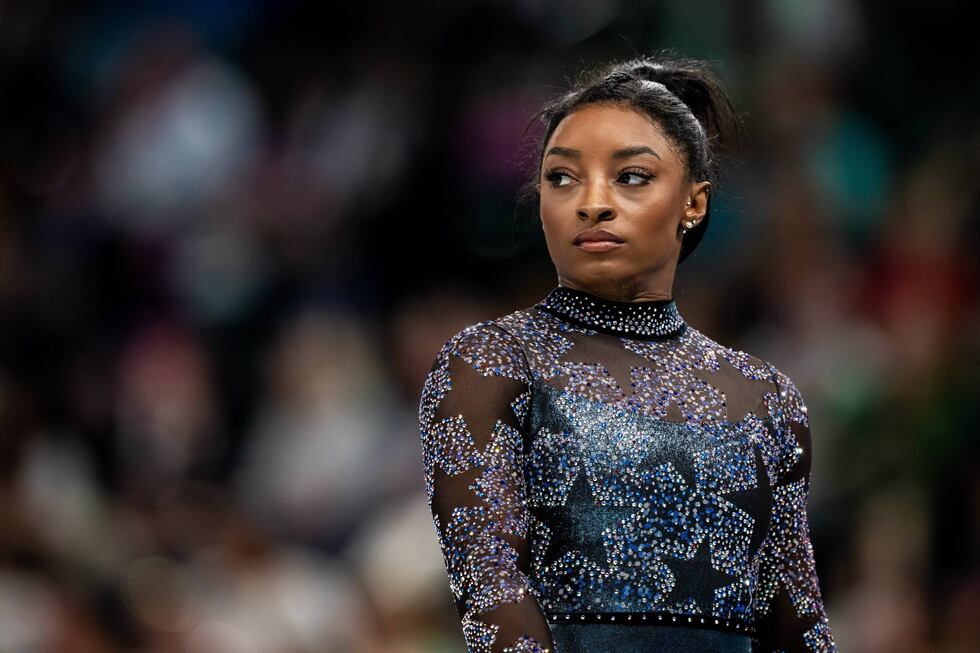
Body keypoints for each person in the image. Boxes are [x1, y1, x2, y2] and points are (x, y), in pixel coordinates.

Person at [417, 53, 837, 653]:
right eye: (562, 178)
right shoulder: (492, 364)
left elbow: (797, 622)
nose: (592, 203)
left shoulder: (766, 397)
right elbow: (490, 589)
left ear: (693, 203)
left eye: (631, 177)